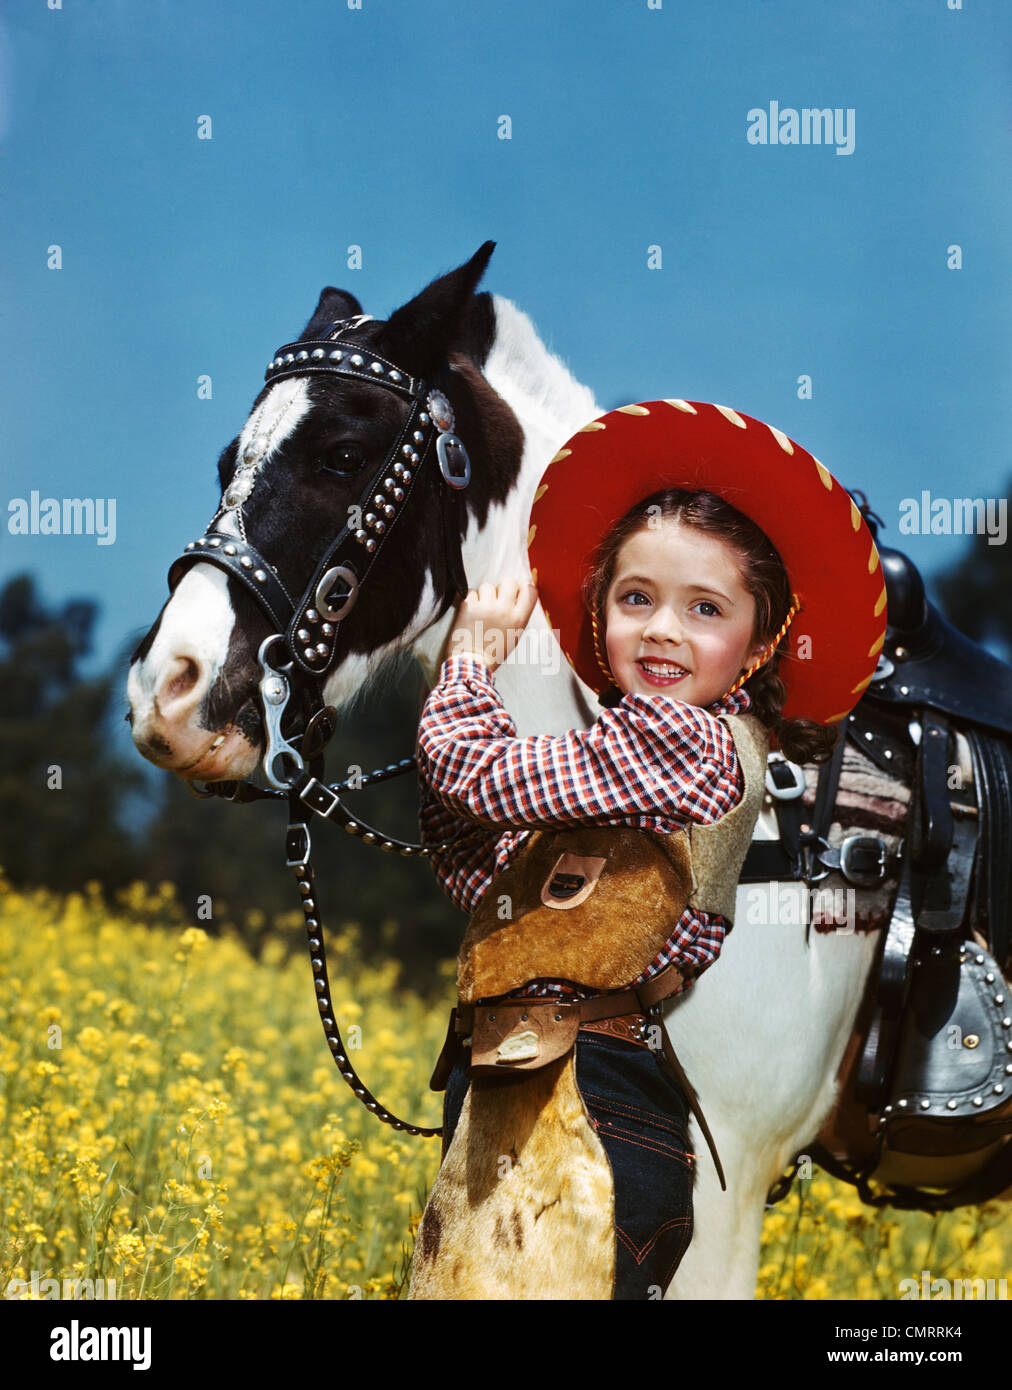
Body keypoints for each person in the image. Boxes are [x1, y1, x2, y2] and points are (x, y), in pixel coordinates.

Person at [410, 399, 888, 1300]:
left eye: (705, 608)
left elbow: (472, 772)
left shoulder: (685, 741)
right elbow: (485, 865)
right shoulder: (622, 771)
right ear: (599, 616)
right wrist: (454, 754)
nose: (664, 628)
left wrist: (467, 663)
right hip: (524, 1090)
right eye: (637, 598)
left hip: (601, 1104)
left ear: (759, 644)